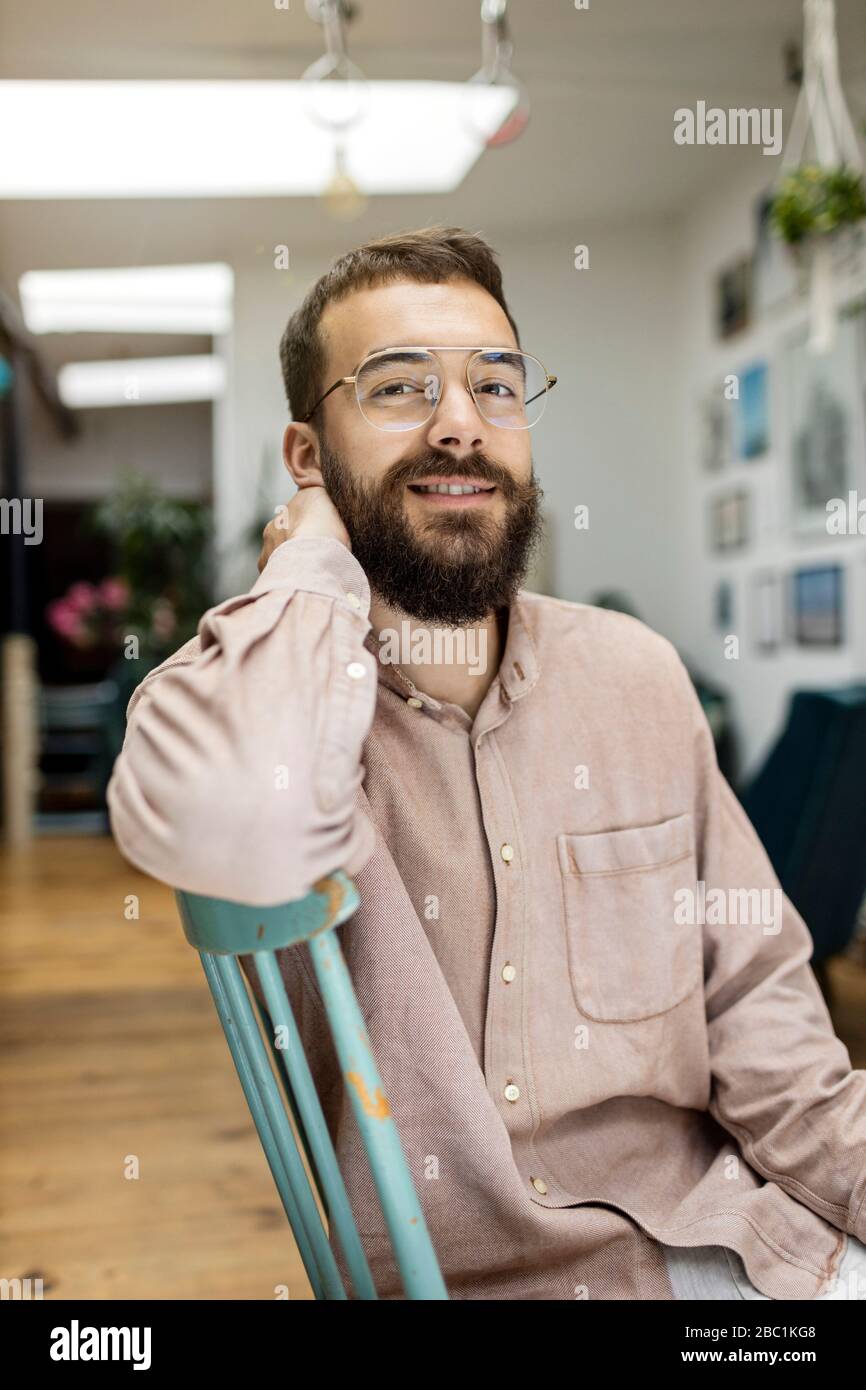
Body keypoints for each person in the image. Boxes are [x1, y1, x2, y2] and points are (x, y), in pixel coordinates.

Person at [107, 226, 866, 1301]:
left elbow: (762, 1018)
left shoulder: (636, 677)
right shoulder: (251, 701)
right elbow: (243, 827)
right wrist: (313, 558)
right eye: (399, 386)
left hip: (739, 1245)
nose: (461, 425)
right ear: (308, 457)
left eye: (495, 386)